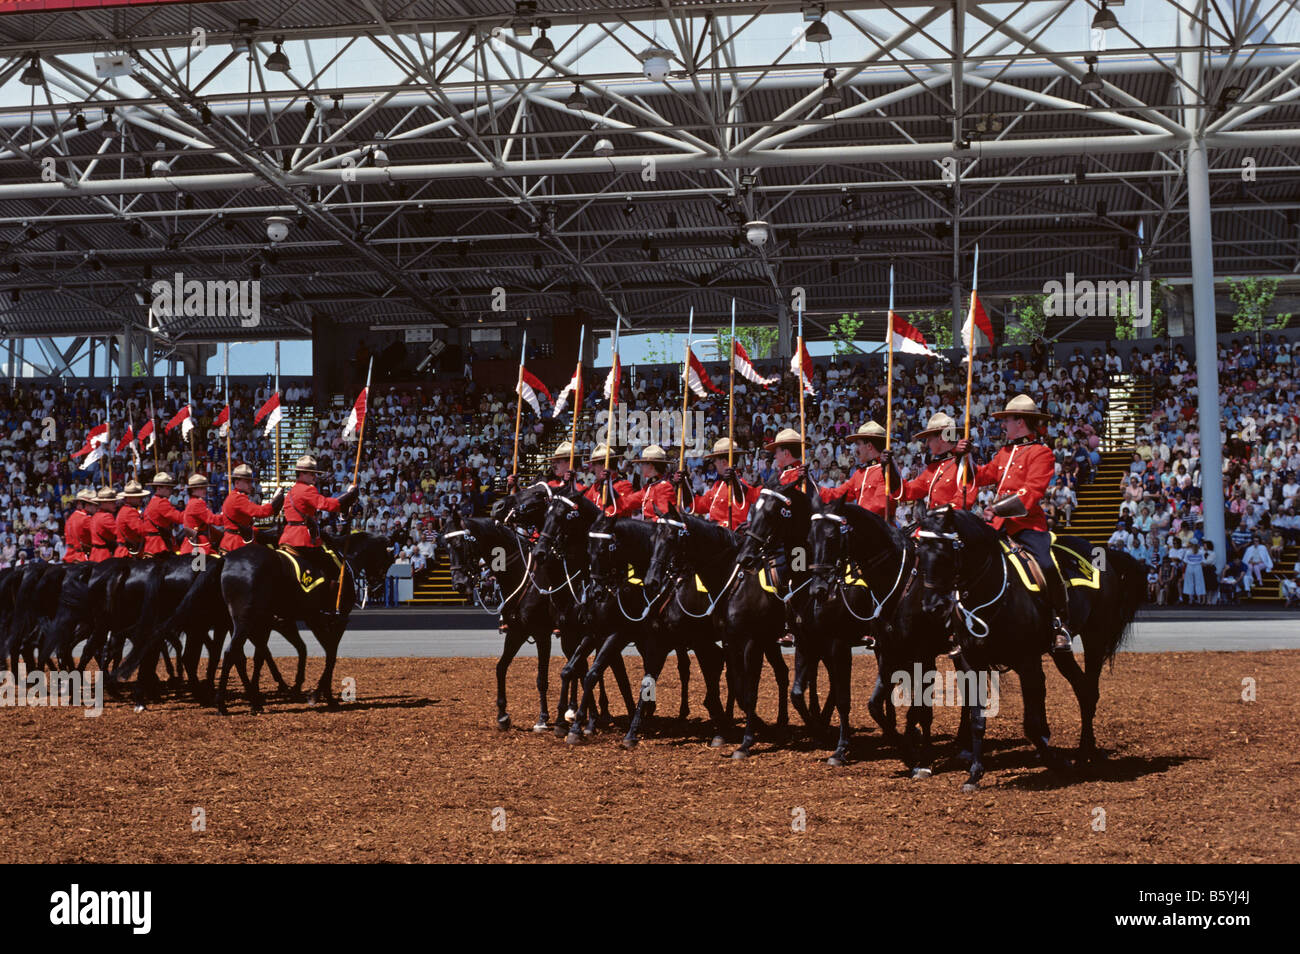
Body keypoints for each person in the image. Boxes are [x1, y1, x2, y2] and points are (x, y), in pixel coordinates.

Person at [958, 394, 1073, 653]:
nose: (1003, 425)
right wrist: (966, 458)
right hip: (997, 527)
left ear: (1020, 421)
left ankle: (1059, 623)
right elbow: (984, 475)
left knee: (1046, 564)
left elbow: (1031, 493)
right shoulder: (1004, 452)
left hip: (1028, 526)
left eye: (1007, 420)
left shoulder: (1041, 453)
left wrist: (996, 508)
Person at [820, 422, 904, 520]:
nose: (856, 450)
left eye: (858, 444)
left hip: (880, 530)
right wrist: (812, 488)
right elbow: (837, 494)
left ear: (869, 446)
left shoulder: (888, 470)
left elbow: (880, 505)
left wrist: (853, 515)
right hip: (862, 527)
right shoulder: (859, 474)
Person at [899, 412, 979, 511]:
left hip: (953, 522)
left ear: (941, 438)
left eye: (929, 438)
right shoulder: (933, 468)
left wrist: (941, 514)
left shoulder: (963, 461)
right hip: (935, 522)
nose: (927, 444)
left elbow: (966, 498)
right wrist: (891, 470)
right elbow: (908, 491)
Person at [281, 455, 357, 548]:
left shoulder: (291, 491)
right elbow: (327, 505)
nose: (314, 476)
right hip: (303, 538)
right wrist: (349, 494)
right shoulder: (307, 490)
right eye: (312, 474)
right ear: (302, 474)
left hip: (288, 537)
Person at [691, 438, 761, 527]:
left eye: (714, 461)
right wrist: (684, 487)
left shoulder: (739, 485)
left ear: (723, 462)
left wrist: (712, 527)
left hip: (727, 536)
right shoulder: (718, 485)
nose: (714, 465)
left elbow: (736, 521)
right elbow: (701, 505)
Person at [220, 463, 285, 551]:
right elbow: (261, 512)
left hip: (236, 538)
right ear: (237, 482)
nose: (251, 485)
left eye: (251, 481)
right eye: (247, 482)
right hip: (238, 542)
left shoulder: (234, 496)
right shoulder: (238, 498)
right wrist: (274, 501)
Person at [581, 444, 638, 516]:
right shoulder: (596, 486)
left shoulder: (624, 485)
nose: (592, 469)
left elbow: (619, 510)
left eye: (594, 465)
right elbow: (585, 504)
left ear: (604, 466)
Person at [179, 473, 225, 556]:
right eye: (201, 488)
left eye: (205, 488)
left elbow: (205, 525)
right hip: (198, 546)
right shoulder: (197, 503)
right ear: (193, 490)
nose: (205, 490)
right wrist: (228, 515)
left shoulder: (193, 501)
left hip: (195, 543)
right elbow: (213, 520)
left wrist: (221, 535)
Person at [142, 471, 184, 555]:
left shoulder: (153, 501)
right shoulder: (161, 503)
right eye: (167, 488)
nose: (171, 490)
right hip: (160, 544)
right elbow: (179, 518)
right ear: (158, 488)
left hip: (152, 544)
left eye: (170, 488)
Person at [113, 481, 151, 558]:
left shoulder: (126, 509)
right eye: (138, 496)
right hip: (129, 554)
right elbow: (142, 530)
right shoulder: (130, 511)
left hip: (127, 550)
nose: (141, 498)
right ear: (129, 498)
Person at [63, 489, 95, 563]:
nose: (95, 506)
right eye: (92, 504)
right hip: (84, 556)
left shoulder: (70, 517)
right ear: (84, 504)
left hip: (70, 555)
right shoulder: (86, 518)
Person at [88, 487, 119, 562]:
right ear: (103, 503)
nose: (115, 504)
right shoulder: (106, 516)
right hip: (105, 555)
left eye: (115, 502)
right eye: (111, 502)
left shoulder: (96, 515)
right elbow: (119, 534)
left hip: (94, 554)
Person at [1181, 540, 1206, 605]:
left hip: (1189, 567)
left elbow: (1185, 562)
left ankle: (1191, 599)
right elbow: (1203, 562)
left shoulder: (1188, 552)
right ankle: (1199, 599)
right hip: (1198, 567)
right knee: (1199, 583)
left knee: (1189, 583)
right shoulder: (1201, 551)